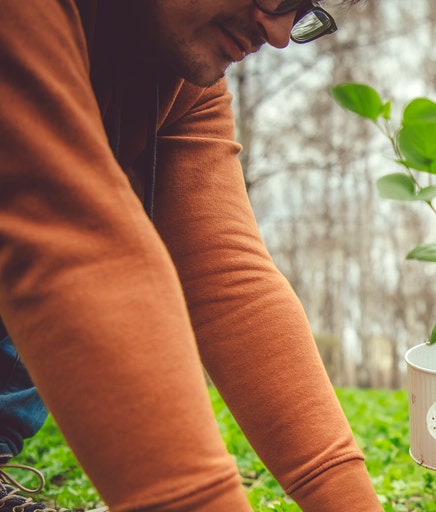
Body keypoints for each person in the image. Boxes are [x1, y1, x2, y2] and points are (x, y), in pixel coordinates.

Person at [0, 1, 382, 510]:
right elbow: (63, 239)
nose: (279, 34)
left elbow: (228, 284)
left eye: (302, 10)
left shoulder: (182, 81)